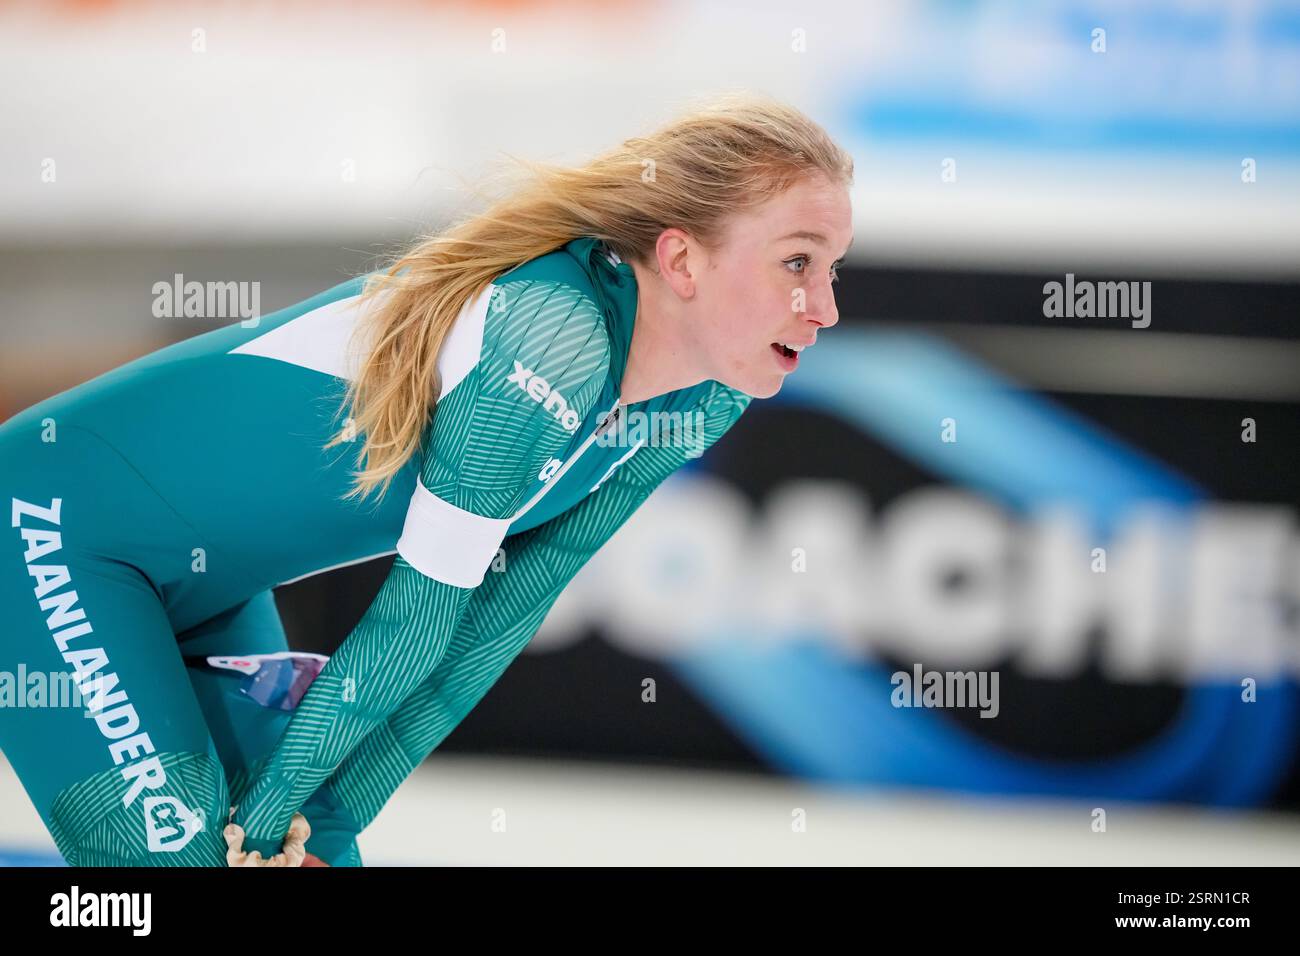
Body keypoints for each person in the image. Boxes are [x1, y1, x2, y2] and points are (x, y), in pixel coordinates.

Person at [0, 92, 853, 866]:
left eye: (832, 269)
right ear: (682, 259)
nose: (826, 306)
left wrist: (321, 816)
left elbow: (491, 629)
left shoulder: (700, 400)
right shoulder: (553, 334)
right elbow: (418, 617)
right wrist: (262, 823)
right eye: (797, 263)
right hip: (49, 530)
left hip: (204, 588)